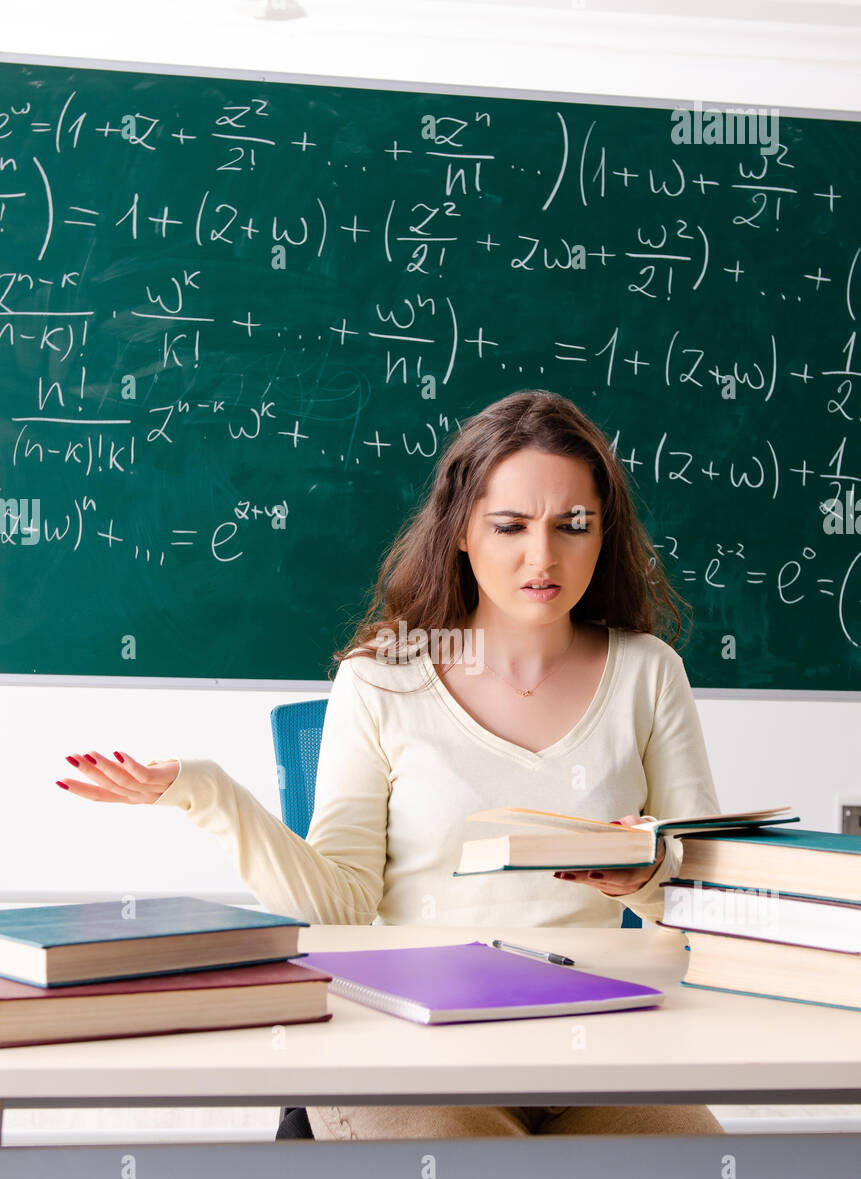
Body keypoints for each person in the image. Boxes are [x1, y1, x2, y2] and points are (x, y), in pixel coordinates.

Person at [56, 389, 723, 1140]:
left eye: (572, 526)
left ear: (603, 535)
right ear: (462, 533)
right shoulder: (382, 679)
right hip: (417, 1040)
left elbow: (704, 893)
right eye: (509, 527)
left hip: (598, 1037)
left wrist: (650, 872)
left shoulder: (648, 672)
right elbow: (340, 907)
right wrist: (206, 794)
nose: (542, 557)